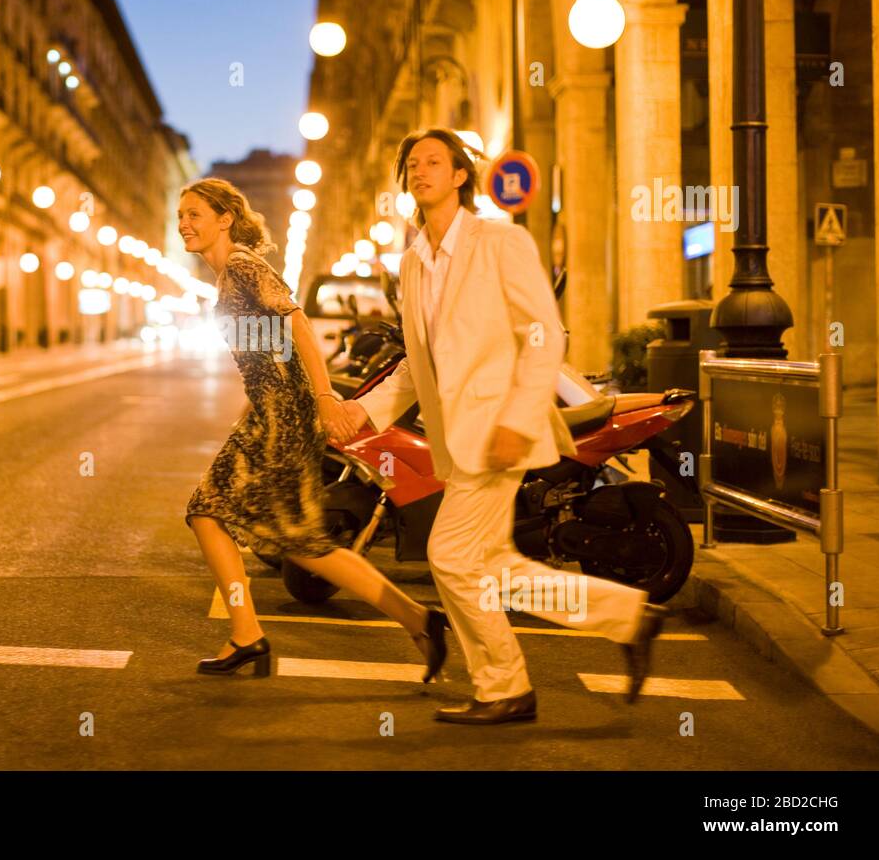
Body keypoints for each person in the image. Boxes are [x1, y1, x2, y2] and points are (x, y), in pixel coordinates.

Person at [337, 129, 668, 724]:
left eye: (433, 161)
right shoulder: (414, 261)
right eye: (412, 164)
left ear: (460, 175)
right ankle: (626, 617)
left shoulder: (499, 241)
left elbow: (543, 334)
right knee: (491, 568)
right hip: (456, 438)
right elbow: (419, 361)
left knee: (450, 556)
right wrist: (364, 410)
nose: (420, 171)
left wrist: (518, 419)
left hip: (497, 431)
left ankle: (505, 687)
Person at [180, 177, 448, 679]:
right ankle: (417, 619)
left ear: (225, 219)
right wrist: (254, 412)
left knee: (210, 512)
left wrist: (325, 399)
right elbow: (267, 357)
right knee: (297, 540)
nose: (184, 224)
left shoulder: (241, 265)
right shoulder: (228, 274)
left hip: (286, 416)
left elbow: (298, 322)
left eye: (195, 213)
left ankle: (248, 634)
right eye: (181, 215)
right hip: (274, 412)